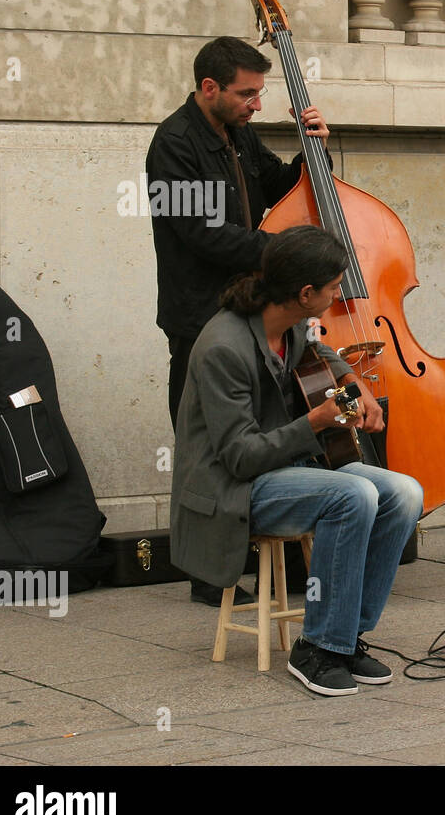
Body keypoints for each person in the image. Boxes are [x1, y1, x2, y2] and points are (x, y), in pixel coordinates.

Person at [170, 226, 422, 696]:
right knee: (353, 494)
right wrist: (318, 421)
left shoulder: (288, 325)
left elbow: (319, 350)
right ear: (305, 293)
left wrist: (353, 380)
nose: (339, 294)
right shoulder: (224, 348)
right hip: (234, 489)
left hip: (289, 471)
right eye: (333, 287)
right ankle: (318, 647)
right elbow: (240, 457)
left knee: (405, 493)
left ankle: (345, 639)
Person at [147, 35, 330, 605]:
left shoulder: (240, 133)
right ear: (210, 88)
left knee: (269, 422)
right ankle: (207, 573)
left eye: (259, 92)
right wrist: (279, 257)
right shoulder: (172, 145)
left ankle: (288, 547)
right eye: (247, 93)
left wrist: (311, 153)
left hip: (249, 306)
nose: (256, 103)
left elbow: (276, 185)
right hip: (200, 315)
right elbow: (201, 234)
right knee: (202, 443)